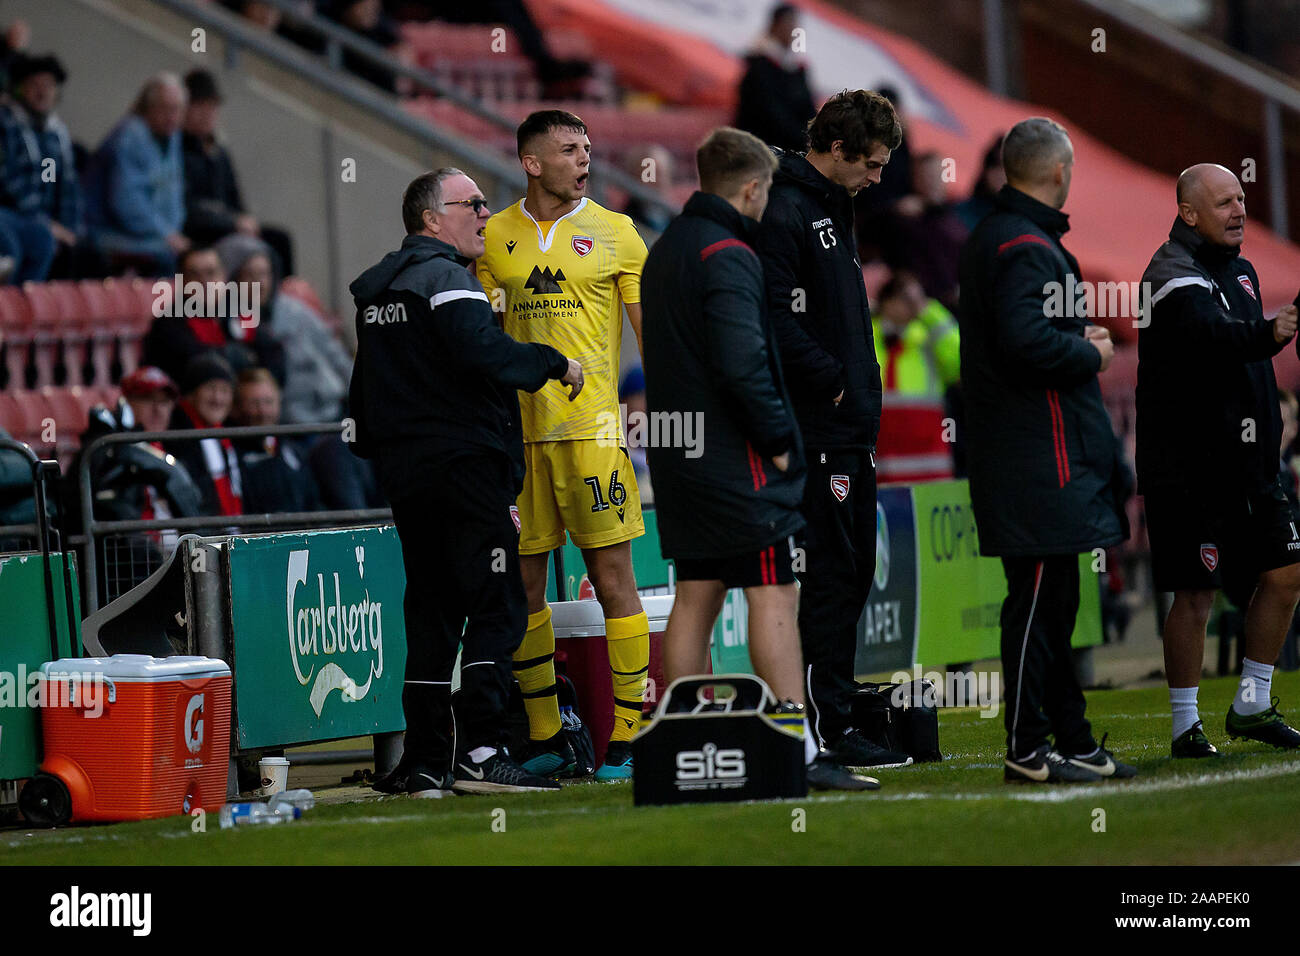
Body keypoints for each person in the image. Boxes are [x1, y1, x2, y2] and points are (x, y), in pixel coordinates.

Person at [643, 126, 877, 792]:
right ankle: (799, 749)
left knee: (696, 593)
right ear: (752, 187)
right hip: (735, 459)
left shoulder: (665, 252)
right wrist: (779, 441)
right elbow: (742, 363)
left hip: (679, 457)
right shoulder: (729, 253)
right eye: (766, 189)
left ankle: (686, 744)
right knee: (773, 590)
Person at [347, 168, 584, 795]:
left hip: (409, 475)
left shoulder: (379, 291)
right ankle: (481, 750)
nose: (485, 213)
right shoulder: (447, 279)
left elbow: (362, 393)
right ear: (431, 220)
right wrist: (555, 362)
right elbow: (488, 354)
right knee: (496, 602)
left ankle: (425, 760)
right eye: (471, 204)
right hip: (465, 470)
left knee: (430, 612)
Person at [959, 116, 1135, 783]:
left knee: (1055, 602)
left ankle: (1074, 738)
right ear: (1060, 171)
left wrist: (1069, 336)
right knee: (1037, 603)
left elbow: (1024, 332)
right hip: (1039, 458)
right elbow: (1024, 341)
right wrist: (1086, 351)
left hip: (1036, 453)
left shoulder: (1001, 238)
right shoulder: (1023, 245)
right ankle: (1026, 746)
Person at [476, 110, 650, 781]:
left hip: (593, 436)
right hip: (518, 439)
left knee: (613, 579)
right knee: (522, 585)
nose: (585, 160)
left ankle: (629, 739)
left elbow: (650, 337)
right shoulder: (493, 237)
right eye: (571, 149)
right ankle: (549, 735)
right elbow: (485, 338)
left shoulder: (616, 233)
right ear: (531, 161)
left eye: (588, 148)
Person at [756, 89, 910, 771]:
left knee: (848, 574)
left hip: (847, 427)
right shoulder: (785, 209)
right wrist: (832, 378)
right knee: (829, 577)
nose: (878, 179)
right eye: (871, 164)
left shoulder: (831, 204)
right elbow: (774, 316)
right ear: (838, 148)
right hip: (819, 428)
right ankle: (829, 724)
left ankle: (839, 717)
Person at [1136, 162, 1300, 756]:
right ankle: (1185, 725)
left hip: (1252, 465)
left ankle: (1253, 701)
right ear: (1189, 212)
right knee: (1195, 593)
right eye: (1225, 202)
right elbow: (1212, 338)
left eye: (1242, 199)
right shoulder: (1171, 274)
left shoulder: (1245, 272)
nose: (1239, 211)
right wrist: (1269, 333)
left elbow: (1246, 360)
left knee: (1286, 574)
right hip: (1189, 467)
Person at [215, 232, 348, 424]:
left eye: (264, 274)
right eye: (250, 275)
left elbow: (335, 354)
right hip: (284, 423)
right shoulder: (229, 323)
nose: (259, 283)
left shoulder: (294, 309)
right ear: (234, 279)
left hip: (333, 411)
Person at [181, 70, 295, 275]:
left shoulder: (218, 152)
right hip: (204, 233)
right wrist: (232, 222)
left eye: (213, 107)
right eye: (201, 106)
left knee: (280, 240)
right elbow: (187, 208)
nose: (209, 114)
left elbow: (236, 198)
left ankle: (278, 302)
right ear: (186, 109)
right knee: (256, 255)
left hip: (228, 228)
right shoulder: (177, 150)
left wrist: (244, 220)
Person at [84, 73, 189, 276]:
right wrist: (166, 234)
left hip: (150, 234)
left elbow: (172, 193)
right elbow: (126, 204)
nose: (172, 117)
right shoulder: (131, 135)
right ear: (147, 108)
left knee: (198, 256)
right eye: (164, 108)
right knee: (174, 260)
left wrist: (173, 232)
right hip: (107, 231)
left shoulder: (172, 135)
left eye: (177, 109)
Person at [142, 244, 287, 386]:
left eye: (211, 273)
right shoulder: (169, 321)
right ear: (182, 281)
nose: (204, 282)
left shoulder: (240, 309)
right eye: (194, 275)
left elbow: (272, 355)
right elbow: (198, 365)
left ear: (223, 276)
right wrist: (245, 357)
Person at [0, 53, 81, 282]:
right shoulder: (6, 122)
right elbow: (8, 180)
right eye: (35, 85)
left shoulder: (54, 135)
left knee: (64, 245)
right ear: (19, 89)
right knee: (14, 245)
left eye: (48, 86)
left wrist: (69, 228)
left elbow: (57, 185)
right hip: (7, 211)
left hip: (34, 219)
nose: (42, 92)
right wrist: (44, 222)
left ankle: (28, 311)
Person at [231, 367, 321, 514]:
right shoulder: (230, 454)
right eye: (254, 403)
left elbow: (313, 502)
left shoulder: (293, 452)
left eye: (269, 402)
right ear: (236, 408)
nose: (263, 411)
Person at [164, 352, 244, 517]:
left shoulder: (227, 435)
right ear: (192, 393)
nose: (218, 398)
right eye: (210, 388)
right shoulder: (176, 435)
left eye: (224, 390)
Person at [734, 4, 816, 154]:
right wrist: (800, 138)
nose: (792, 30)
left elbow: (808, 107)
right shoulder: (759, 64)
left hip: (791, 148)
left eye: (795, 24)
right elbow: (768, 111)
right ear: (774, 25)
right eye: (788, 23)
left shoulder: (797, 68)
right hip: (760, 148)